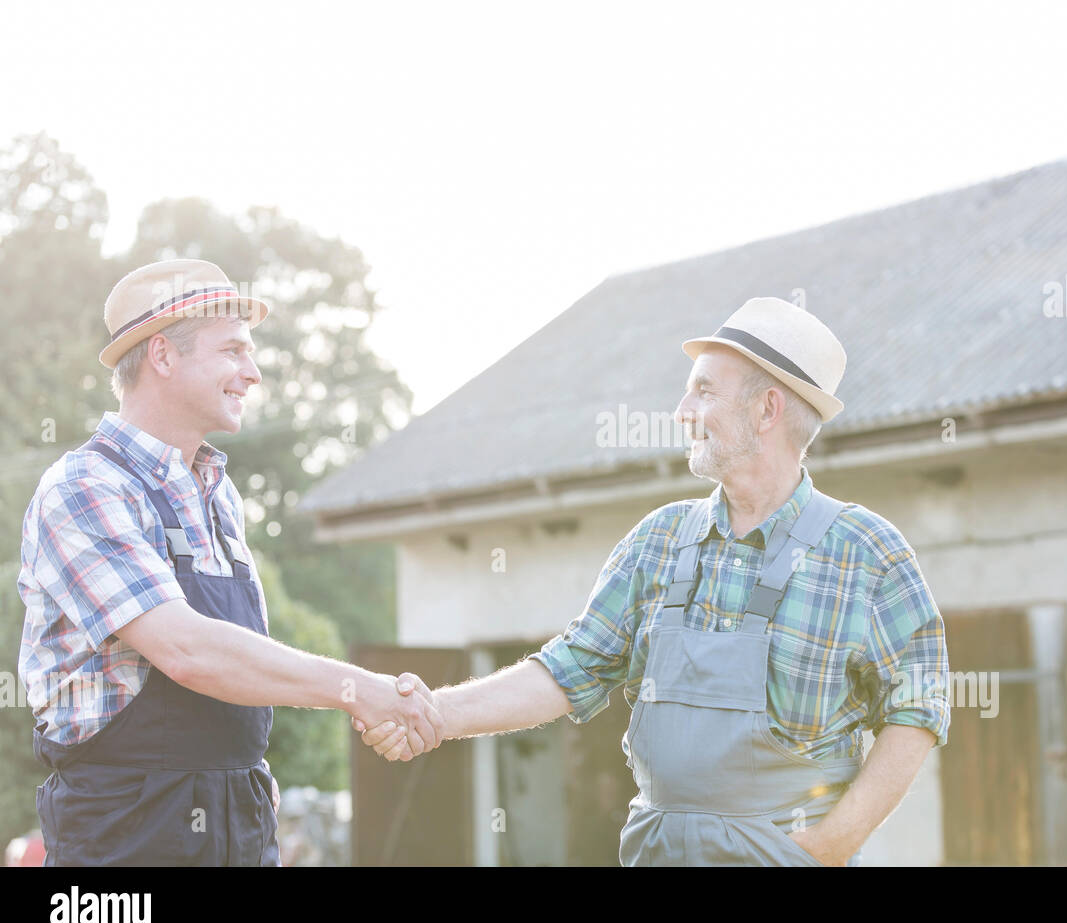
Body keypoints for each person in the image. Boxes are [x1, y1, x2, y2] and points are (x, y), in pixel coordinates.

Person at [356, 297, 950, 866]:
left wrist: (830, 845)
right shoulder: (660, 540)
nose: (681, 411)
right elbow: (574, 668)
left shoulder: (866, 553)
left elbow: (918, 707)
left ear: (767, 409)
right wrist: (434, 712)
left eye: (704, 390)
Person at [17, 259, 444, 867]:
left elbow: (243, 670)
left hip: (238, 828)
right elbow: (190, 652)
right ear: (162, 355)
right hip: (126, 840)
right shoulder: (87, 488)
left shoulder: (219, 494)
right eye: (233, 351)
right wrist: (359, 690)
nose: (254, 372)